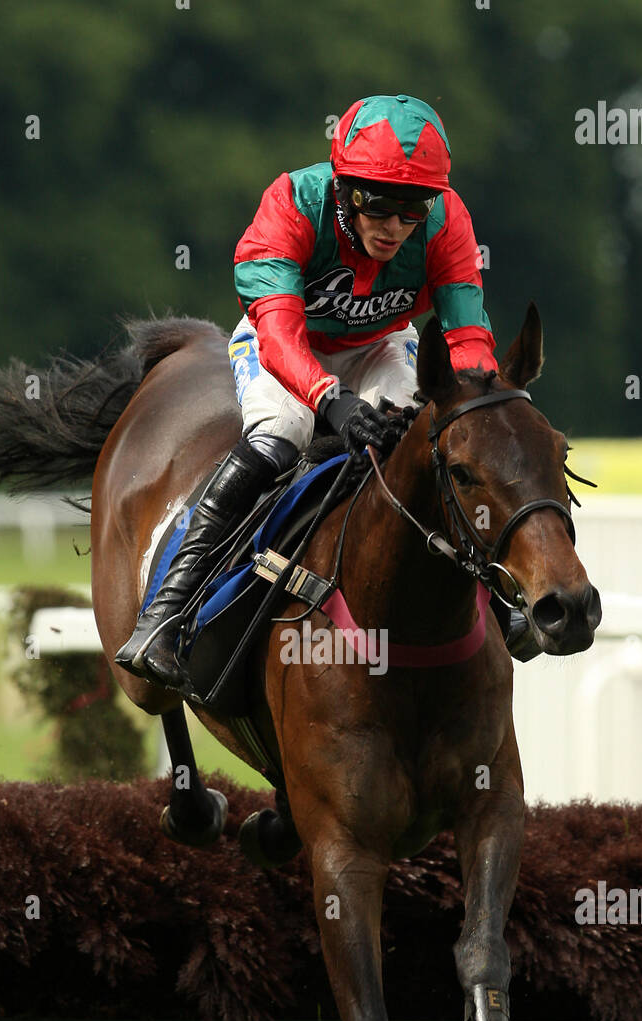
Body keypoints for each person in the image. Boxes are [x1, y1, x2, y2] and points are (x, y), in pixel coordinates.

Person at [117, 93, 523, 687]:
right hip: (284, 342)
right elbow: (279, 332)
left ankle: (502, 595)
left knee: (428, 438)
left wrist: (475, 397)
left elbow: (465, 332)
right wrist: (333, 402)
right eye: (380, 207)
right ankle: (165, 614)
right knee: (284, 434)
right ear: (344, 188)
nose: (396, 229)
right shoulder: (290, 204)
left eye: (414, 211)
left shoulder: (446, 220)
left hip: (381, 344)